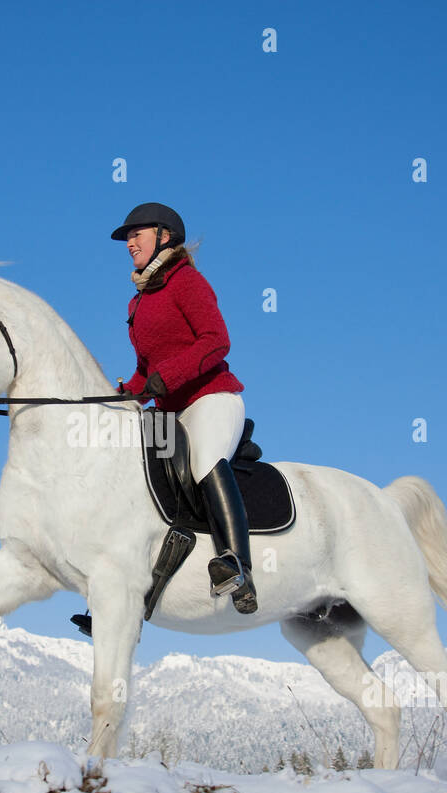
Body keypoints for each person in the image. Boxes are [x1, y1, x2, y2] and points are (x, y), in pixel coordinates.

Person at [111, 202, 256, 614]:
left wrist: (166, 378)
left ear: (164, 235)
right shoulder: (136, 304)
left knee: (205, 460)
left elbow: (216, 341)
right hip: (168, 413)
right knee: (133, 472)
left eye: (135, 234)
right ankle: (131, 587)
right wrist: (121, 393)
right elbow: (144, 373)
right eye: (127, 238)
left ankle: (237, 564)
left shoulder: (187, 282)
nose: (129, 244)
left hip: (211, 398)